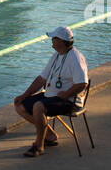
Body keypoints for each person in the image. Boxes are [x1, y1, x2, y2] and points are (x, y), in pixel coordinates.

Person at [13, 26, 88, 158]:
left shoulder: (75, 58)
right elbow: (42, 79)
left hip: (69, 101)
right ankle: (49, 135)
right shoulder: (56, 55)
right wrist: (25, 95)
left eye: (54, 38)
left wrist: (66, 94)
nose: (52, 40)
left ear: (62, 41)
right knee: (20, 105)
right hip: (51, 96)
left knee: (38, 107)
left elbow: (82, 83)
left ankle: (39, 146)